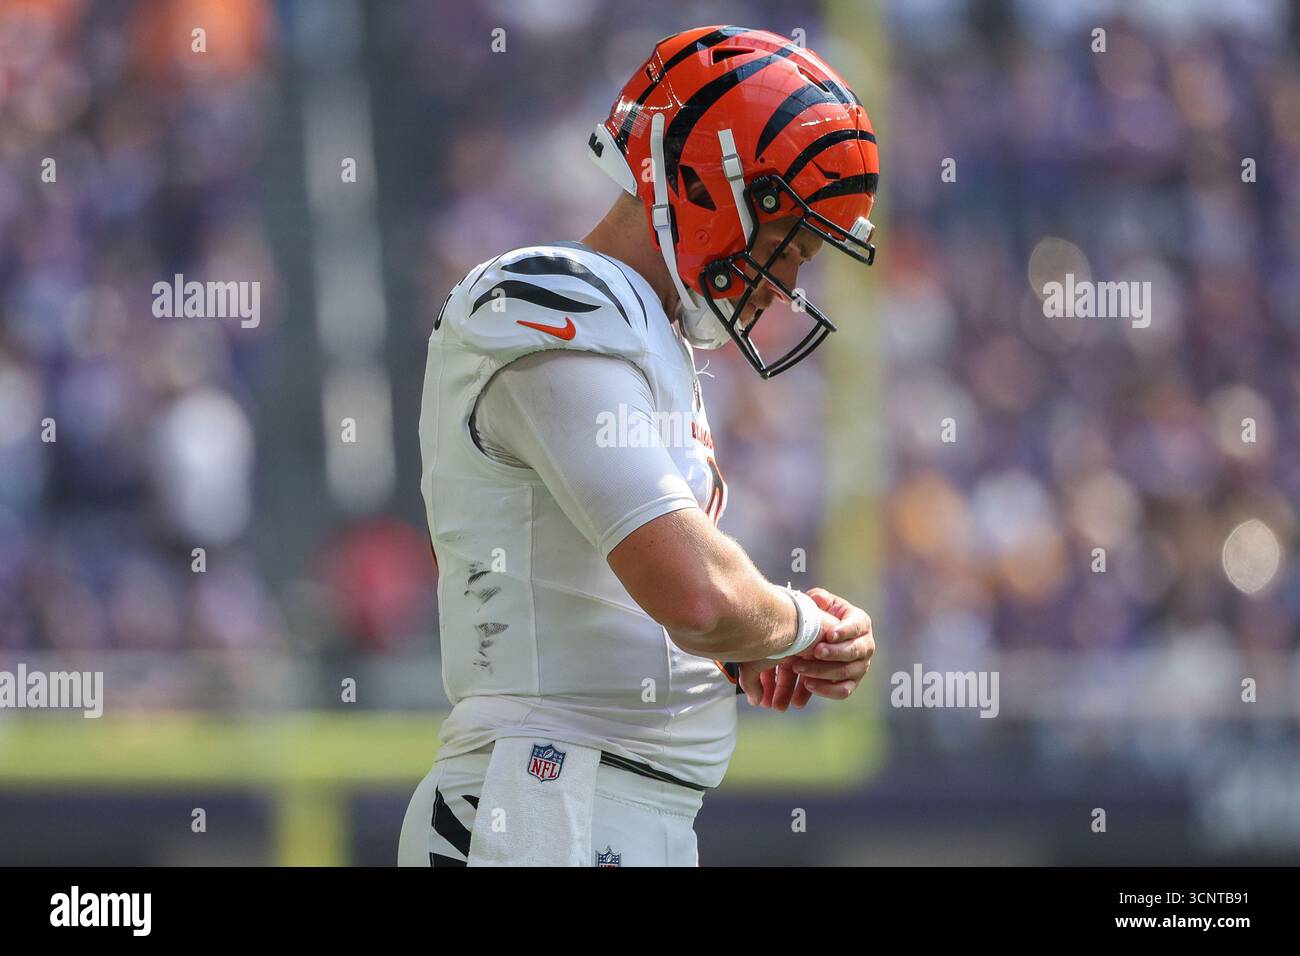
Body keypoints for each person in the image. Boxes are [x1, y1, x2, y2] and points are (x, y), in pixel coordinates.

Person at [399, 25, 880, 867]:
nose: (790, 283)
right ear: (722, 188)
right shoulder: (547, 299)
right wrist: (794, 625)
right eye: (789, 243)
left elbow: (609, 589)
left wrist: (741, 650)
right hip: (546, 803)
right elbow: (694, 594)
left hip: (589, 802)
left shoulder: (642, 329)